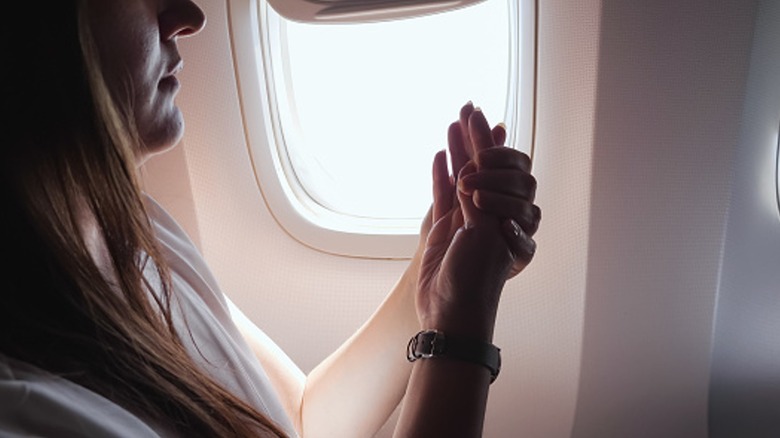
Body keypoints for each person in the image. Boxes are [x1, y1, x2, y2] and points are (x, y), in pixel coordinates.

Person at [0, 0, 541, 436]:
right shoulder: (25, 411)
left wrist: (433, 279)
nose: (188, 15)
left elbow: (297, 420)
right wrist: (462, 324)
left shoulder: (140, 231)